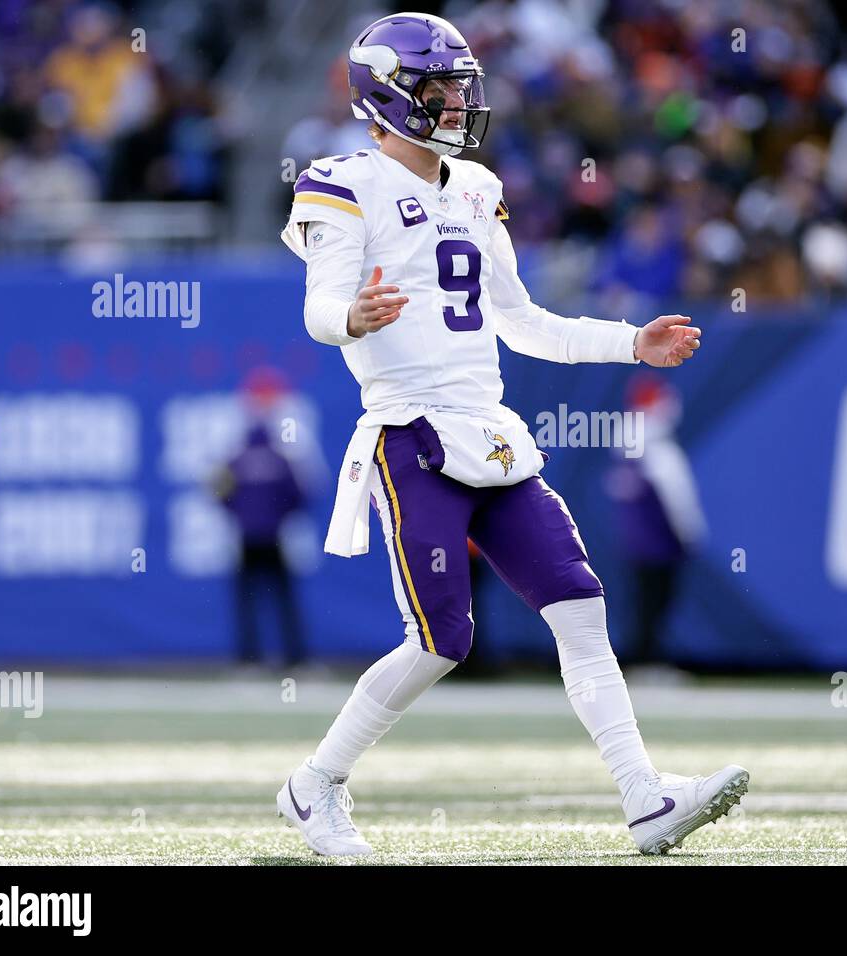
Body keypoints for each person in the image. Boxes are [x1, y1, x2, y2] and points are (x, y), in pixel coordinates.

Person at [274, 13, 747, 857]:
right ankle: (314, 786)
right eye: (437, 87)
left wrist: (628, 341)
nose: (456, 100)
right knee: (440, 641)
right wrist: (349, 316)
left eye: (459, 84)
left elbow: (522, 322)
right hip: (411, 431)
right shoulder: (344, 182)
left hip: (490, 433)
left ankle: (644, 797)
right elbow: (317, 307)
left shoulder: (476, 187)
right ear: (387, 95)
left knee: (580, 604)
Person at [604, 373, 706, 679]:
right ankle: (646, 660)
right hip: (661, 540)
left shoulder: (626, 444)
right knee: (656, 601)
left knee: (643, 601)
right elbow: (678, 499)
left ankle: (642, 658)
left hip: (636, 539)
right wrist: (690, 534)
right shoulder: (658, 449)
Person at [213, 423, 308, 667]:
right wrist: (277, 517)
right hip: (274, 538)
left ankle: (248, 659)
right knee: (283, 601)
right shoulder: (280, 461)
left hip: (247, 540)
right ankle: (294, 658)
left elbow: (220, 494)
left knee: (247, 601)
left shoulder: (235, 462)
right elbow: (298, 496)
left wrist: (242, 515)